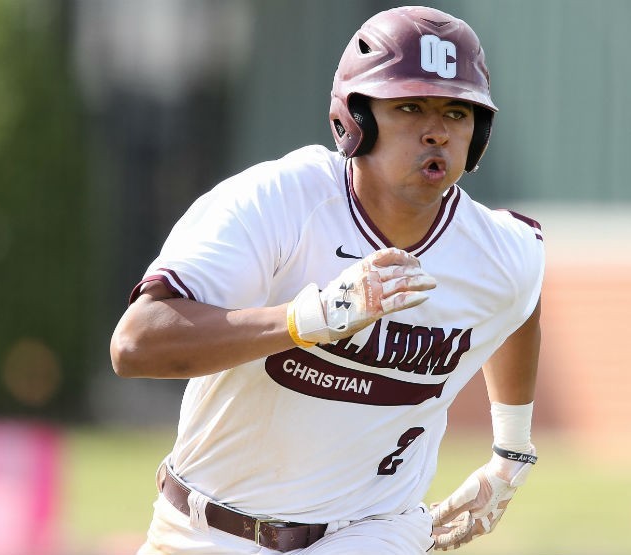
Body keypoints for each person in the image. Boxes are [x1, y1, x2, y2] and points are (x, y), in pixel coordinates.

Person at [111, 6, 544, 554]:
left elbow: (522, 301)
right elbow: (136, 344)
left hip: (373, 529)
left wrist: (511, 455)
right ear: (355, 118)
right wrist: (305, 319)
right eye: (410, 106)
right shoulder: (279, 200)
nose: (437, 131)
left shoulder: (500, 250)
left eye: (458, 113)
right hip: (208, 526)